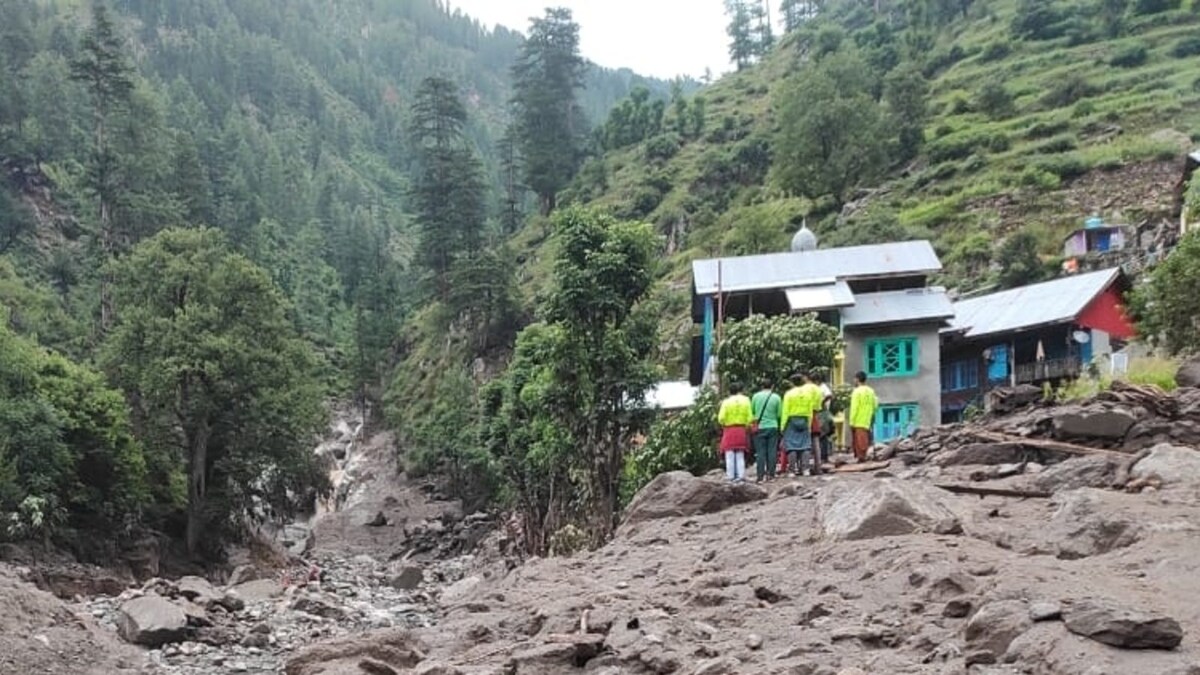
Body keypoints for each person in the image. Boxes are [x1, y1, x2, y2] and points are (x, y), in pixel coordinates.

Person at [780, 373, 820, 476]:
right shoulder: (807, 394)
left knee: (792, 446)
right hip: (805, 419)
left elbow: (785, 411)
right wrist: (809, 423)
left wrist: (783, 426)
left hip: (791, 420)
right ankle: (805, 469)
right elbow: (810, 410)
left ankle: (792, 470)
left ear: (792, 382)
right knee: (805, 446)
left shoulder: (789, 394)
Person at [717, 382, 753, 482]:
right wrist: (746, 425)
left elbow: (721, 418)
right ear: (738, 391)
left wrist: (724, 423)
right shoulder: (746, 401)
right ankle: (741, 475)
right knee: (740, 453)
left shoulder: (726, 402)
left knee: (729, 454)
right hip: (741, 429)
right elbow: (750, 417)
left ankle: (731, 476)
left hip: (729, 429)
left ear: (729, 392)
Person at [750, 378, 782, 483]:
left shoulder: (755, 396)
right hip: (773, 426)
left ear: (761, 386)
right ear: (771, 386)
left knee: (760, 452)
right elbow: (779, 414)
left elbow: (753, 412)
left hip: (759, 427)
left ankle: (760, 477)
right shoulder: (776, 397)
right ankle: (771, 475)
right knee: (772, 451)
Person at [849, 371, 879, 462]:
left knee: (859, 440)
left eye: (855, 379)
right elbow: (875, 404)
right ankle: (864, 456)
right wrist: (873, 414)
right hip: (867, 418)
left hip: (858, 419)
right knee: (865, 439)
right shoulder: (871, 391)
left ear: (857, 379)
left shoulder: (856, 392)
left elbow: (854, 407)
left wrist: (851, 421)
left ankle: (861, 457)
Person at [813, 372, 835, 463]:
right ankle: (822, 456)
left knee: (823, 436)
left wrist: (822, 402)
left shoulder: (823, 387)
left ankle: (824, 456)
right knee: (821, 436)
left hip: (822, 413)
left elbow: (829, 396)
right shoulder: (819, 388)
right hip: (820, 413)